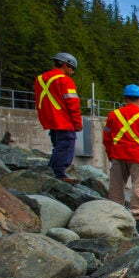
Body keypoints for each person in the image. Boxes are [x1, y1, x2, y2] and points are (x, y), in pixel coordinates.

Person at [102, 84, 139, 225]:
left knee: (116, 186)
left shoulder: (113, 115)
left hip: (118, 155)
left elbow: (107, 138)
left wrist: (110, 154)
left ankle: (115, 212)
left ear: (125, 98)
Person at [34, 52, 82, 182]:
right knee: (65, 146)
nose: (72, 72)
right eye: (72, 69)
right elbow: (73, 104)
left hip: (49, 119)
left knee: (57, 147)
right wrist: (77, 122)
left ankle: (51, 170)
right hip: (63, 120)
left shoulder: (40, 79)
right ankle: (59, 174)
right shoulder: (65, 81)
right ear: (65, 65)